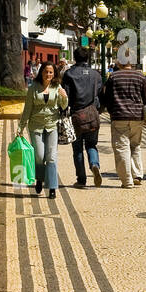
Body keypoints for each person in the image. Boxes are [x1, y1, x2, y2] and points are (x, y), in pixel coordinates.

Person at [18, 60, 68, 200]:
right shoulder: (33, 87)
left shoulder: (57, 87)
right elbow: (28, 108)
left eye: (51, 72)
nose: (48, 74)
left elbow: (63, 106)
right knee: (39, 156)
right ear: (42, 72)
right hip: (36, 125)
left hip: (52, 125)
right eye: (46, 71)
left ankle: (52, 187)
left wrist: (64, 97)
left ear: (54, 73)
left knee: (51, 157)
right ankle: (39, 179)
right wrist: (21, 126)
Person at [102, 58, 146, 188]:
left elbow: (107, 97)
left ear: (119, 63)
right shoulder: (140, 76)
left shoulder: (113, 76)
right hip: (137, 116)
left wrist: (111, 111)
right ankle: (137, 174)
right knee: (135, 145)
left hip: (119, 116)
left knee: (122, 147)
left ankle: (127, 180)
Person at [62, 48, 103, 188]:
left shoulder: (69, 74)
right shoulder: (96, 74)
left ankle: (81, 179)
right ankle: (94, 164)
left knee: (77, 148)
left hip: (77, 116)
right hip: (92, 114)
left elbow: (65, 96)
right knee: (91, 144)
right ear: (88, 58)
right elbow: (99, 93)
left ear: (74, 57)